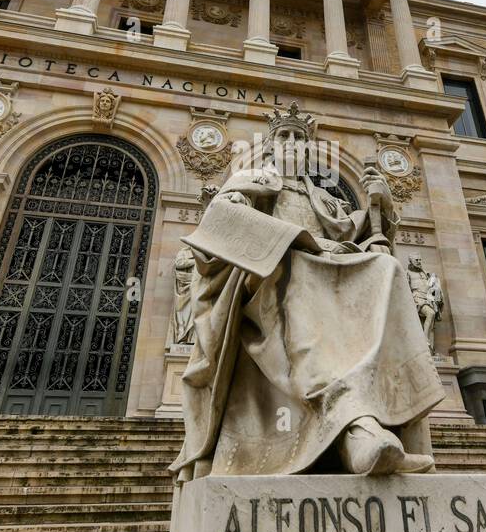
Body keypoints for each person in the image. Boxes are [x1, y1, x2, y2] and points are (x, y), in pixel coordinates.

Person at [170, 103, 442, 480]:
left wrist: (381, 203)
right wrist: (289, 242)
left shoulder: (323, 198)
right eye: (285, 136)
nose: (293, 143)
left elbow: (356, 233)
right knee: (295, 274)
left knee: (386, 268)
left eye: (300, 138)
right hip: (268, 283)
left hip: (327, 276)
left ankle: (384, 417)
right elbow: (220, 226)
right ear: (269, 146)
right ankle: (356, 430)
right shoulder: (250, 183)